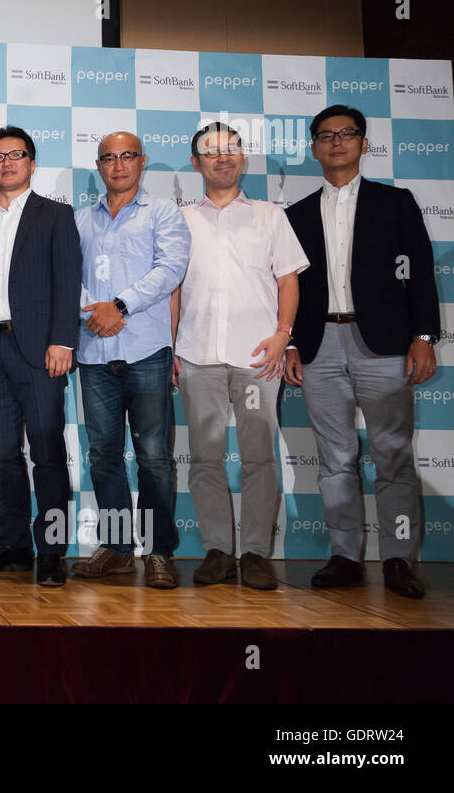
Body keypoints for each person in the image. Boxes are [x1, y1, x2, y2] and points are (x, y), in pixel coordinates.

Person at [284, 105, 437, 598]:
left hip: (385, 345)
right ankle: (345, 556)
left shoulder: (396, 203)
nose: (336, 142)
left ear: (364, 144)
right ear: (313, 148)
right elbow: (286, 288)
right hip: (319, 345)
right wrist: (290, 342)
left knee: (393, 456)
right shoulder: (295, 214)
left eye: (347, 133)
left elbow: (421, 271)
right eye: (326, 136)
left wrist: (424, 337)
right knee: (335, 459)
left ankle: (397, 559)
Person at [172, 122, 307, 591]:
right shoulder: (181, 219)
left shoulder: (271, 216)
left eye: (230, 149)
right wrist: (171, 347)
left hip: (258, 357)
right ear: (196, 163)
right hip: (196, 354)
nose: (222, 157)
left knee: (259, 458)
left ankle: (255, 553)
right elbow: (173, 289)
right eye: (211, 151)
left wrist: (283, 336)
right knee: (204, 459)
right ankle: (217, 551)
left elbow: (288, 280)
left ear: (243, 158)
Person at [0, 126, 80, 587]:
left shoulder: (56, 215)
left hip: (40, 350)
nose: (7, 163)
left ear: (32, 162)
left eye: (16, 155)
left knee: (47, 454)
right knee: (2, 454)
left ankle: (51, 551)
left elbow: (68, 280)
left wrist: (63, 340)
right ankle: (12, 544)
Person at [72, 131, 190, 589]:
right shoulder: (80, 220)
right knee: (103, 455)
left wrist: (119, 306)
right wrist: (92, 311)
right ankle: (118, 549)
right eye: (109, 158)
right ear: (98, 166)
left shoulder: (163, 213)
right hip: (94, 352)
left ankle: (159, 551)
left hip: (146, 350)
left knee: (154, 457)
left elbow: (170, 269)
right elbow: (68, 275)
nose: (118, 165)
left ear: (142, 161)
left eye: (127, 156)